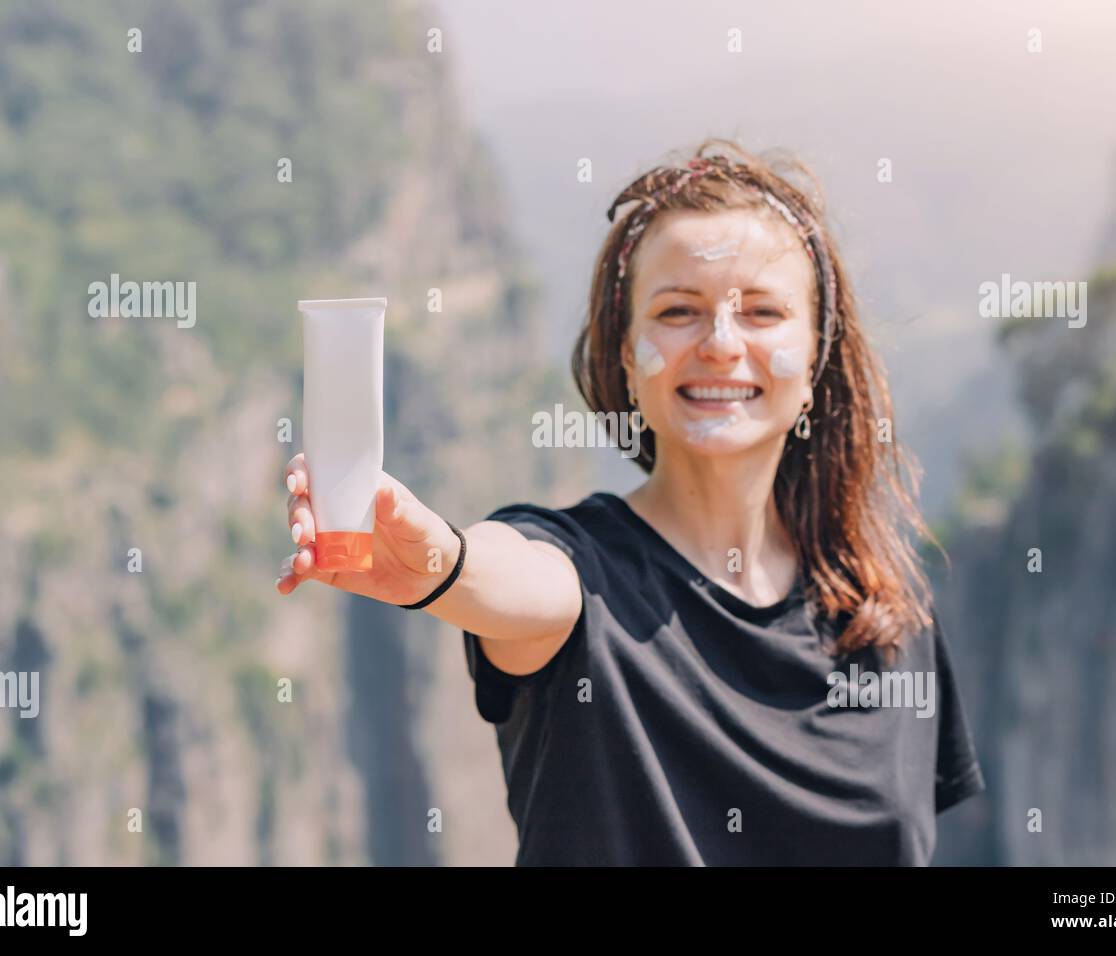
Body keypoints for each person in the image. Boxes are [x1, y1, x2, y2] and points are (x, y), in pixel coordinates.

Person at [276, 138, 985, 865]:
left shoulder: (887, 621)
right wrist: (444, 565)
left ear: (815, 359)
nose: (719, 343)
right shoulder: (584, 577)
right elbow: (517, 577)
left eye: (763, 313)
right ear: (626, 356)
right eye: (679, 311)